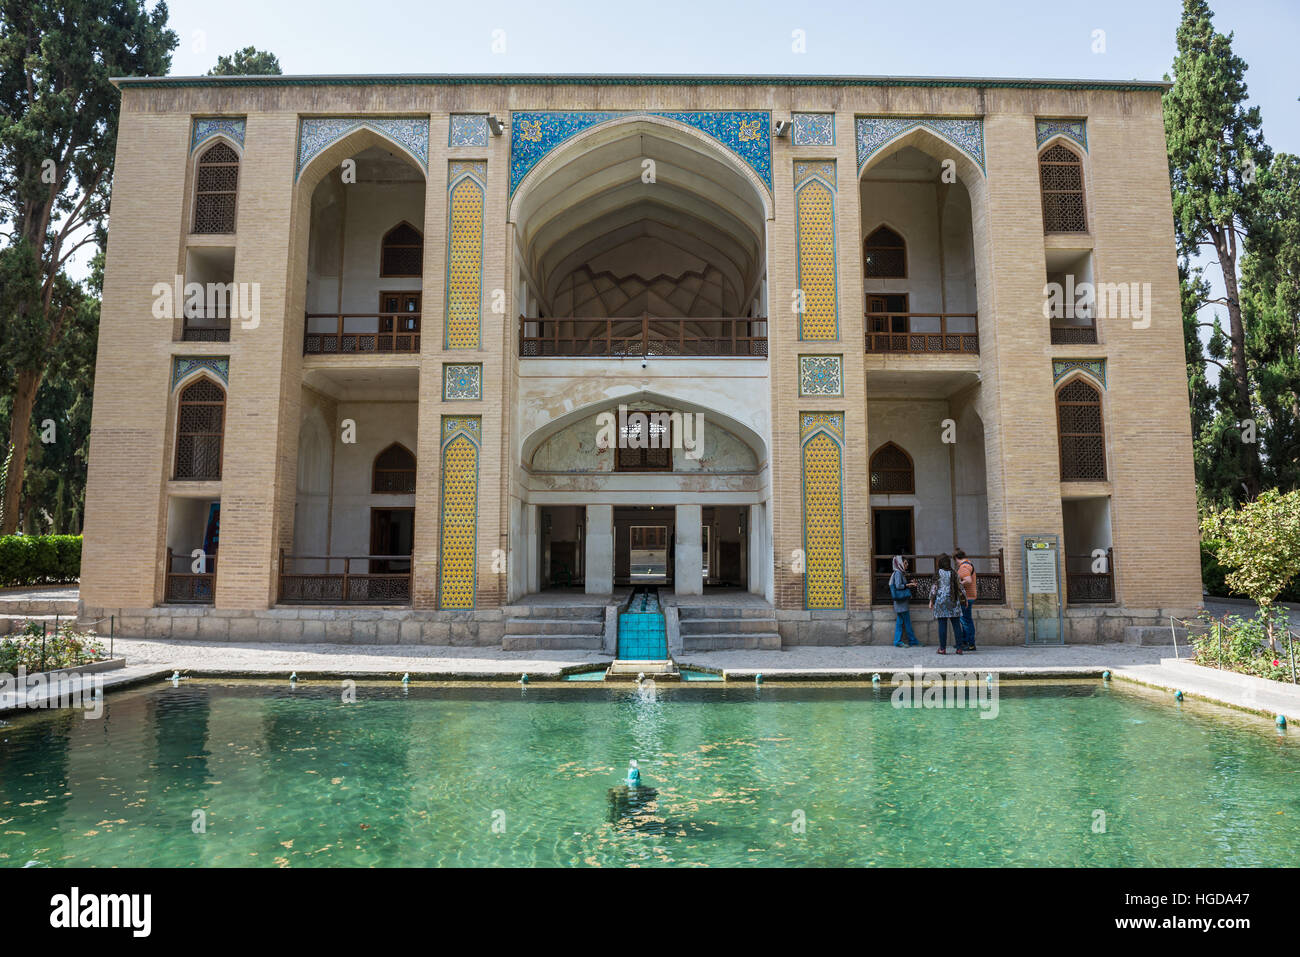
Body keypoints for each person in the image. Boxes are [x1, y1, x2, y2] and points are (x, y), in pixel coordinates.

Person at [929, 554, 964, 654]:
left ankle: (942, 649)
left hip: (941, 601)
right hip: (953, 600)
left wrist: (931, 600)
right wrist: (964, 600)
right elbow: (960, 587)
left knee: (942, 625)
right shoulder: (954, 573)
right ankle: (959, 648)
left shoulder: (937, 573)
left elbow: (934, 588)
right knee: (956, 625)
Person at [888, 555, 920, 647]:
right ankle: (911, 640)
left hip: (901, 602)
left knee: (901, 621)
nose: (907, 565)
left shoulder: (900, 572)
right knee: (906, 622)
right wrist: (908, 585)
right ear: (900, 563)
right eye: (905, 563)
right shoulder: (898, 573)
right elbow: (898, 586)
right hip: (901, 602)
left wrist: (909, 583)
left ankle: (898, 641)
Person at [954, 548, 977, 652]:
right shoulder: (969, 564)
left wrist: (958, 584)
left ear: (956, 558)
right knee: (965, 620)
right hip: (969, 596)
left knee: (966, 621)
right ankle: (965, 642)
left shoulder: (963, 566)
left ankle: (970, 644)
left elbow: (968, 580)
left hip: (966, 597)